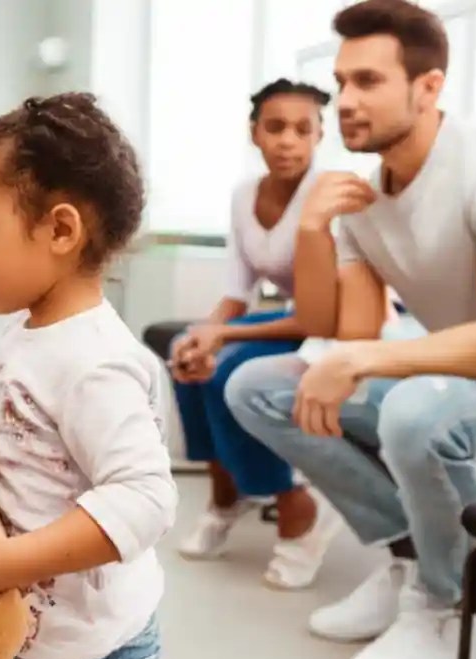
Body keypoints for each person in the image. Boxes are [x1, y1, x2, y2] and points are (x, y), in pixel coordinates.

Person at [225, 0, 476, 659]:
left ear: (428, 88)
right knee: (260, 387)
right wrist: (313, 228)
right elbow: (353, 330)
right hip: (472, 386)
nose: (347, 103)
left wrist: (361, 363)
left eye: (369, 81)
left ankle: (441, 600)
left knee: (414, 409)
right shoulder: (359, 195)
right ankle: (408, 557)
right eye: (342, 84)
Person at [0, 92, 177, 659]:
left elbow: (145, 497)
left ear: (60, 230)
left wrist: (0, 565)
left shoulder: (94, 361)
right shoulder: (29, 333)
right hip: (30, 637)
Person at [144, 79, 343, 589]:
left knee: (228, 368)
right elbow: (237, 290)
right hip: (295, 320)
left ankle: (293, 504)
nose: (287, 141)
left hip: (341, 326)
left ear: (320, 136)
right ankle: (225, 496)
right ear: (254, 133)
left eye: (303, 130)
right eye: (275, 127)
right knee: (188, 360)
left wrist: (224, 339)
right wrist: (207, 332)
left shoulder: (329, 195)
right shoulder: (243, 196)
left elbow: (322, 315)